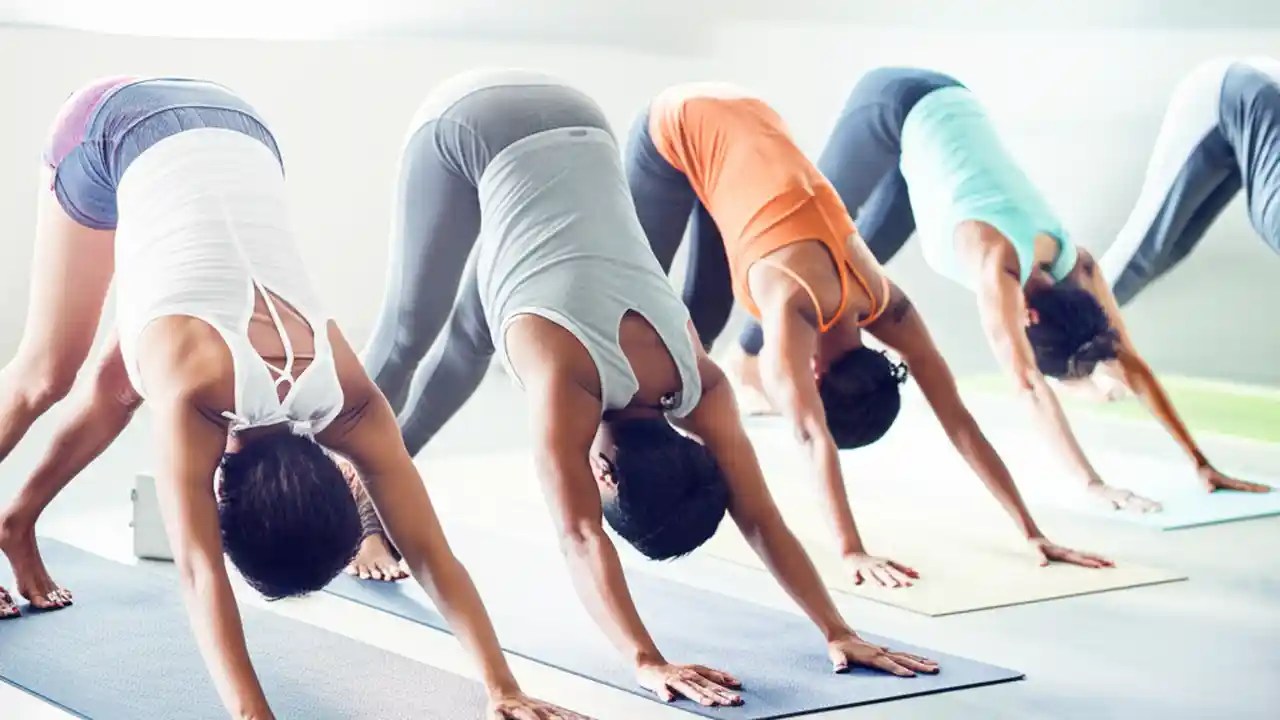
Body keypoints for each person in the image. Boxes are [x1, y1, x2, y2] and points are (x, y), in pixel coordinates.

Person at [0, 75, 581, 720]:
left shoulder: (348, 398)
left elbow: (427, 552)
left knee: (118, 389)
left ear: (333, 471)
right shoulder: (196, 398)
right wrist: (256, 714)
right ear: (223, 494)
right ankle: (16, 521)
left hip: (240, 123)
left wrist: (503, 686)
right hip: (111, 127)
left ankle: (15, 522)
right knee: (44, 375)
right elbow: (200, 572)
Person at [361, 67, 942, 708]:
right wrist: (644, 659)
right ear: (605, 475)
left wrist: (838, 630)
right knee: (407, 334)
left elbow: (759, 515)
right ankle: (354, 499)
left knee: (468, 347)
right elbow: (581, 534)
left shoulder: (698, 379)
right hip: (467, 122)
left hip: (584, 118)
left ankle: (369, 503)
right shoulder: (568, 381)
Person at [619, 78, 1116, 591]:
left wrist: (1031, 530)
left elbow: (959, 420)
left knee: (699, 321)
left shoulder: (882, 299)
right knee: (624, 304)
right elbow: (811, 435)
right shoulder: (791, 307)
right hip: (674, 124)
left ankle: (641, 448)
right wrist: (850, 549)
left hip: (744, 110)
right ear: (816, 377)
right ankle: (603, 450)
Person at [723, 67, 1270, 510]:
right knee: (804, 232)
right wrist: (1091, 483)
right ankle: (744, 363)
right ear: (1030, 320)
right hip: (894, 104)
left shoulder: (1076, 264)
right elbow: (1027, 385)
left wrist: (1200, 462)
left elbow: (1131, 361)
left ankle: (751, 358)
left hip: (946, 118)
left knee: (855, 259)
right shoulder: (997, 267)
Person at [1101, 57, 1280, 306]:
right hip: (1225, 95)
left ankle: (1066, 317)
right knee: (1144, 252)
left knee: (1171, 249)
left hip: (1252, 97)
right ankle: (1057, 319)